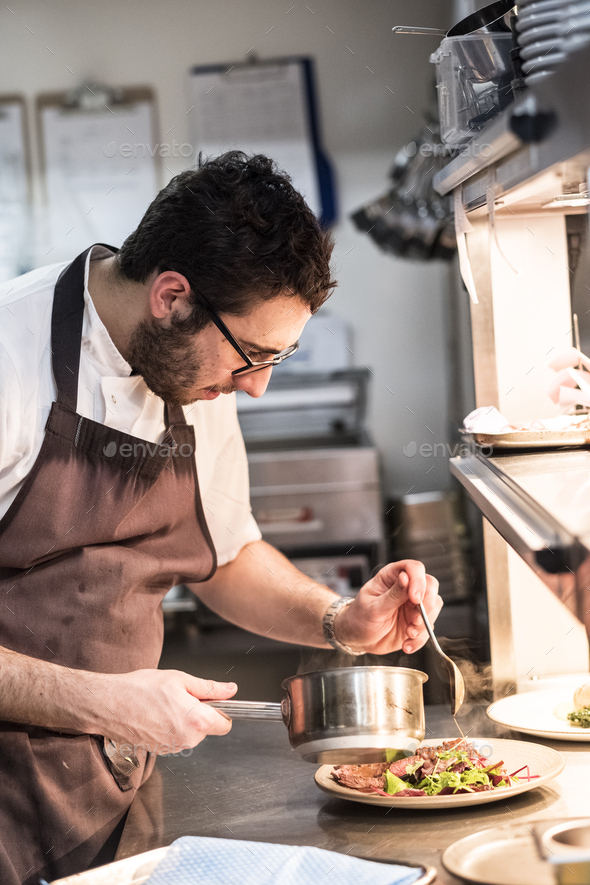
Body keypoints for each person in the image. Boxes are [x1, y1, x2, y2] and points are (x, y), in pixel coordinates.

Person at [0, 151, 442, 884]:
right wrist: (101, 698)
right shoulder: (9, 360)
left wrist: (340, 619)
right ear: (171, 296)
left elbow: (227, 554)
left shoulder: (201, 378)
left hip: (112, 789)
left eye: (280, 357)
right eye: (252, 356)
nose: (258, 388)